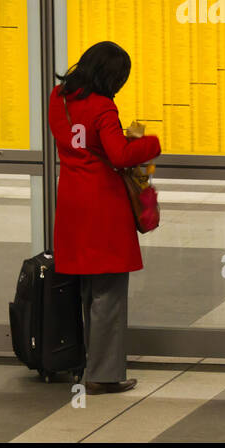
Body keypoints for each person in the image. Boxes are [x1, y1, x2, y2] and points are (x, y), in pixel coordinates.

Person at [48, 41, 160, 395]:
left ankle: (89, 366)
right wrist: (151, 143)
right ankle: (104, 375)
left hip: (71, 202)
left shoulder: (58, 98)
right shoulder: (103, 108)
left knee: (87, 291)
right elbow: (120, 154)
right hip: (103, 206)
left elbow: (83, 144)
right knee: (109, 294)